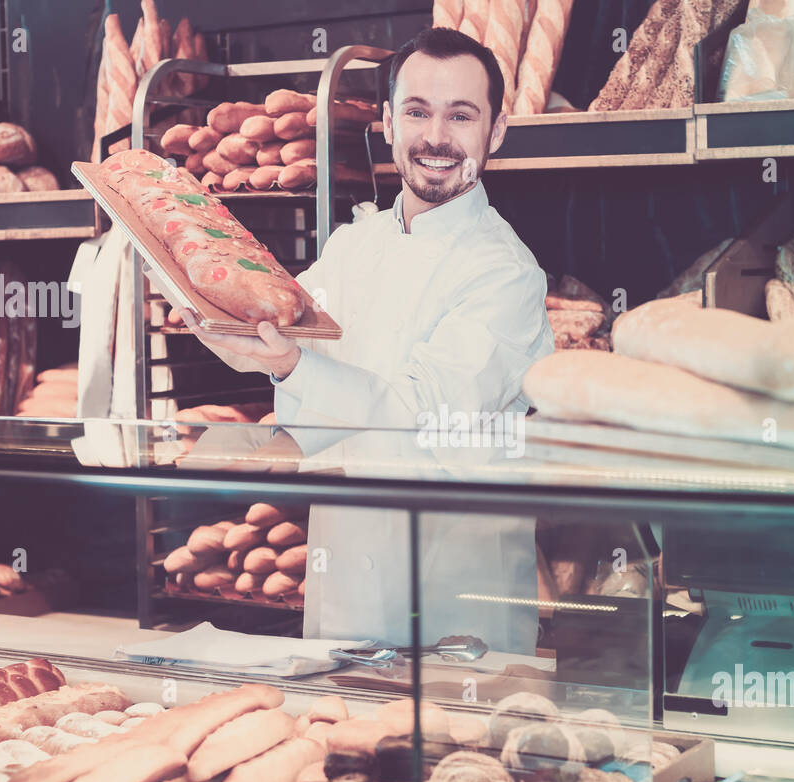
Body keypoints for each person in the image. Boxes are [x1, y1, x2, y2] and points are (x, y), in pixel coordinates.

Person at [183, 27, 554, 652]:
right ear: (386, 123)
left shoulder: (506, 273)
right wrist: (211, 306)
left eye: (461, 116)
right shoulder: (353, 247)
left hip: (455, 605)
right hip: (346, 592)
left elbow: (420, 422)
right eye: (416, 112)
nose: (436, 137)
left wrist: (291, 366)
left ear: (495, 131)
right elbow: (296, 377)